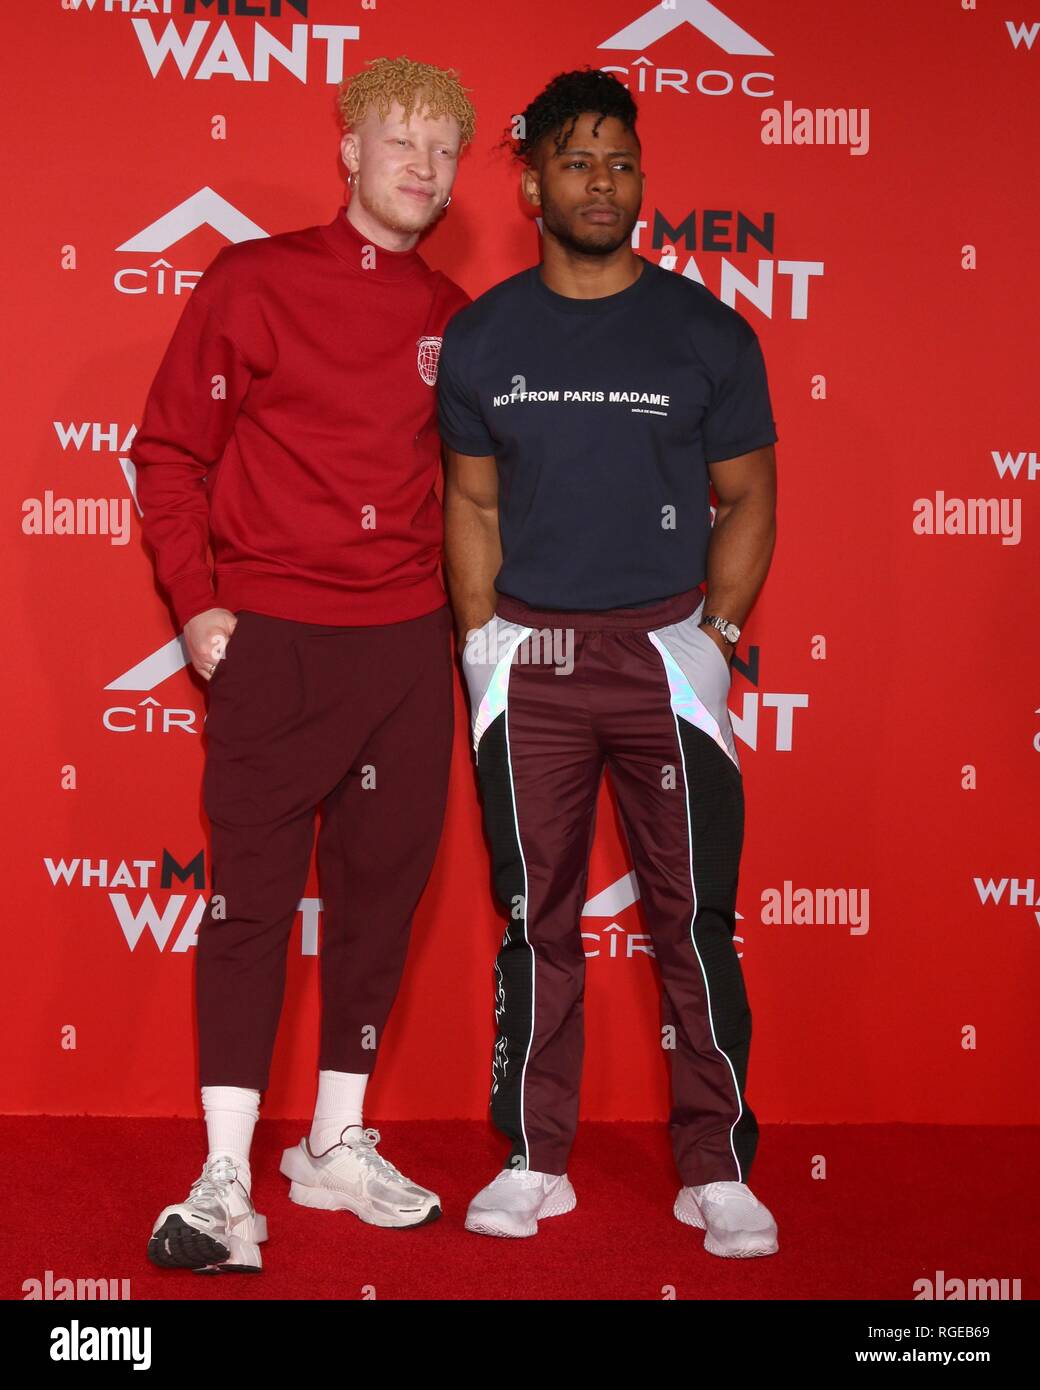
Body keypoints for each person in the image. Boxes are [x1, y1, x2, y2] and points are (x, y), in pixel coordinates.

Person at [132, 56, 476, 1273]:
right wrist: (196, 607)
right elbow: (167, 449)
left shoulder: (453, 319)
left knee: (381, 902)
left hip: (404, 649)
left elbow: (478, 496)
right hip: (274, 643)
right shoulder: (253, 279)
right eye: (399, 144)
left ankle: (334, 1141)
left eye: (442, 153)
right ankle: (225, 1176)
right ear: (348, 150)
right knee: (248, 907)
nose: (421, 170)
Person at [438, 68, 780, 1256]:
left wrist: (715, 636)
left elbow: (746, 498)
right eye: (578, 162)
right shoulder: (484, 336)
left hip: (664, 657)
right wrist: (484, 640)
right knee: (537, 917)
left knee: (695, 923)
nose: (602, 182)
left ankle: (713, 1167)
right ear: (531, 181)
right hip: (527, 659)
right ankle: (534, 1159)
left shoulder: (703, 330)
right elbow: (470, 503)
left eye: (621, 162)